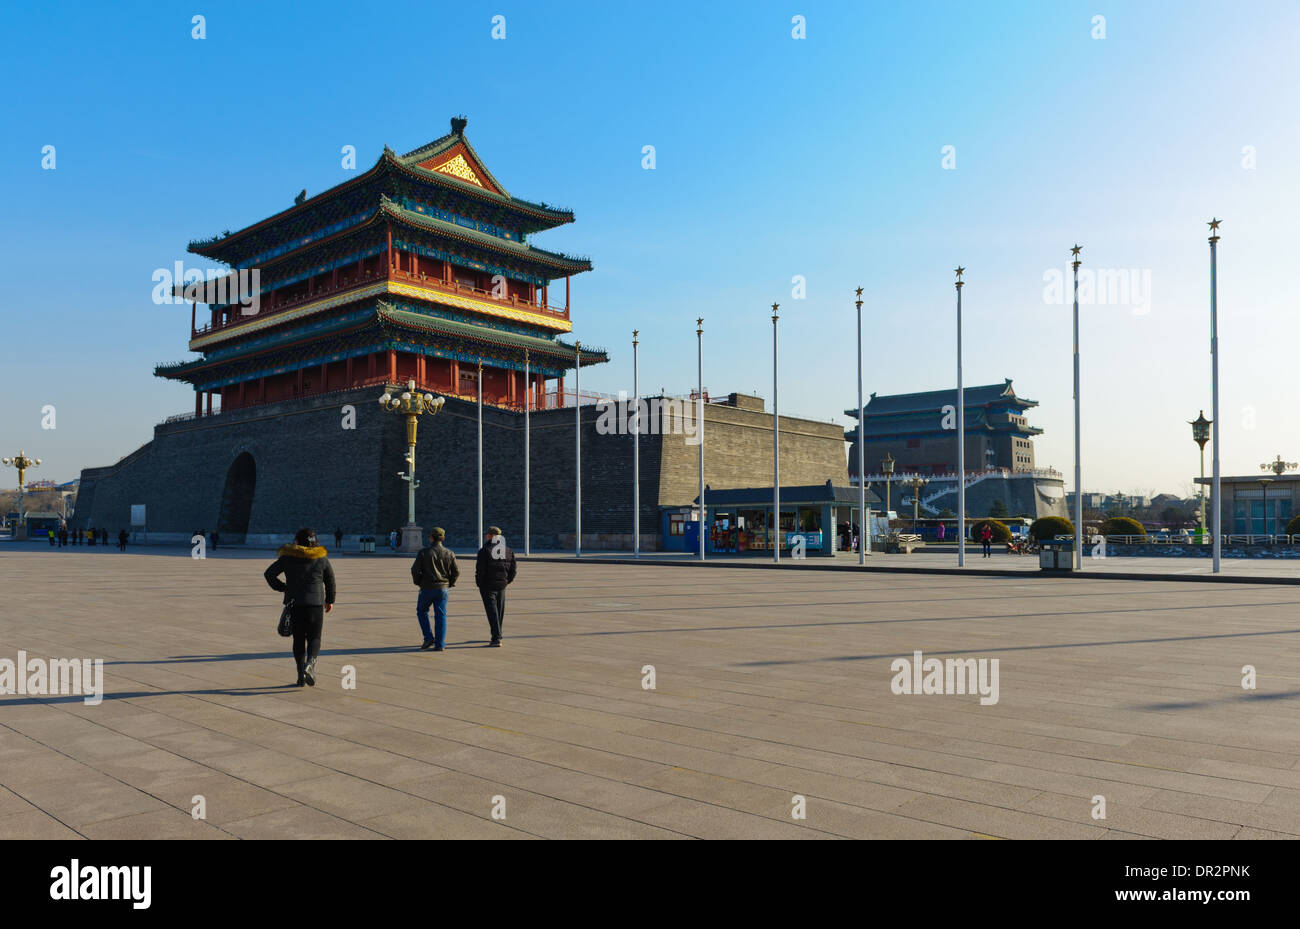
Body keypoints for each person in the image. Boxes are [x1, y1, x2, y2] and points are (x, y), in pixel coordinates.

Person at [264, 527, 336, 687]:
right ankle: (310, 664)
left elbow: (269, 574)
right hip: (315, 604)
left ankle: (300, 677)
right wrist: (330, 600)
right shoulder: (321, 558)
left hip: (295, 604)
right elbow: (330, 580)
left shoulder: (288, 557)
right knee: (315, 638)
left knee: (298, 639)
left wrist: (283, 588)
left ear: (297, 541)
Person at [411, 527, 458, 651]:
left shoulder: (424, 552)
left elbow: (415, 570)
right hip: (443, 588)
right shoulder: (449, 553)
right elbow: (456, 571)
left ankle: (428, 637)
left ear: (431, 538)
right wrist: (450, 583)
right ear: (443, 538)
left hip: (427, 587)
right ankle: (440, 644)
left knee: (421, 611)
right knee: (441, 615)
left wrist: (418, 582)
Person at [475, 526, 517, 647]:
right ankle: (498, 633)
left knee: (492, 611)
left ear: (491, 536)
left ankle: (496, 638)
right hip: (501, 585)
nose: (485, 536)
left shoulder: (484, 551)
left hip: (488, 585)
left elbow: (480, 570)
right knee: (499, 610)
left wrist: (480, 583)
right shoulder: (508, 550)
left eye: (486, 534)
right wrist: (506, 581)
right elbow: (513, 570)